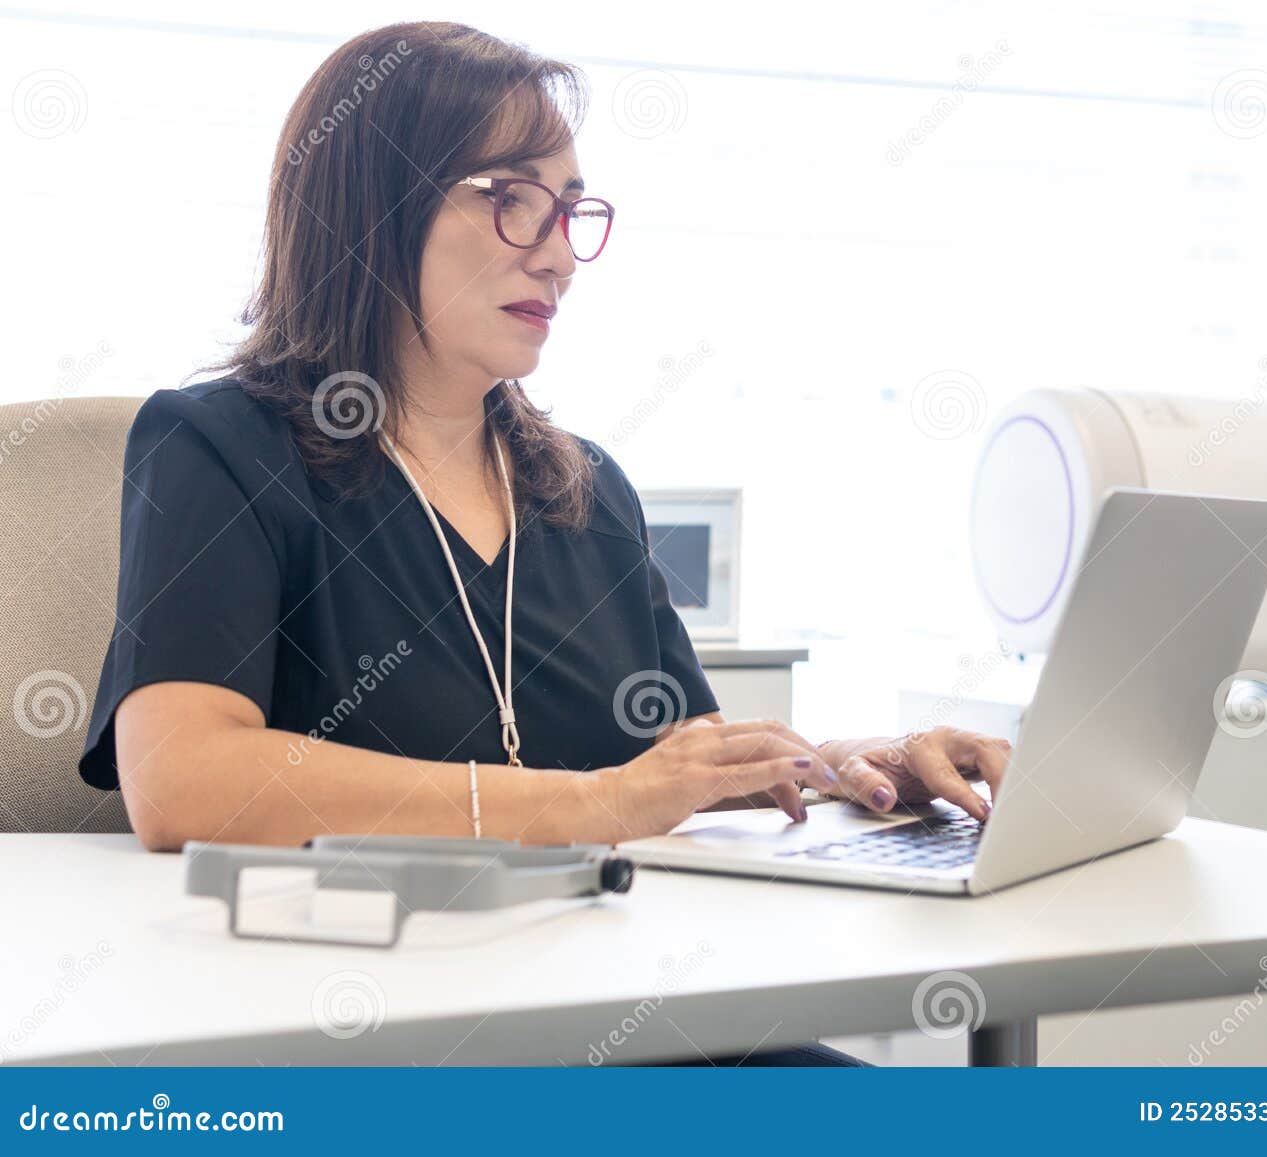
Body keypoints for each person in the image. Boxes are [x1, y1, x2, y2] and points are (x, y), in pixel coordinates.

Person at [78, 21, 1012, 1066]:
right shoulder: (221, 447)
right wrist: (593, 803)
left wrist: (859, 771)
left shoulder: (584, 487)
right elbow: (184, 783)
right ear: (370, 209)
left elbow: (688, 770)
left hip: (624, 1014)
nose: (561, 255)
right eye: (513, 197)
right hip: (375, 1039)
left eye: (572, 211)